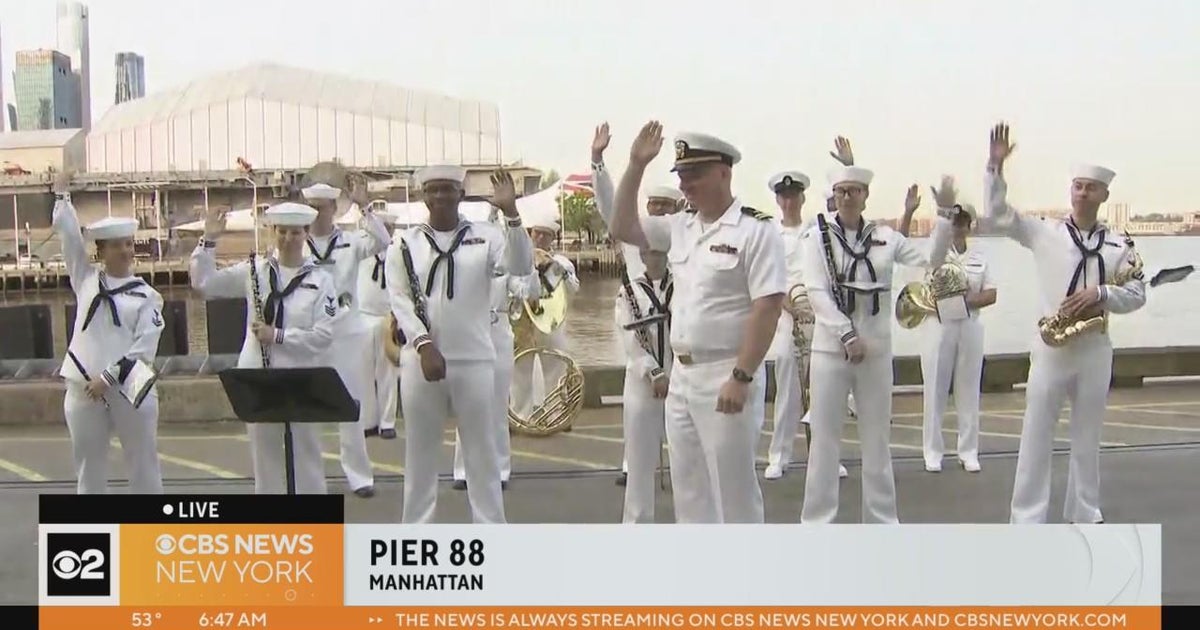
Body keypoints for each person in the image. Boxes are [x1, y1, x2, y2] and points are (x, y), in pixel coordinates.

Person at [598, 120, 785, 523]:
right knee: (690, 495)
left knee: (733, 496)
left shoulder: (756, 230)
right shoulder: (680, 227)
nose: (685, 185)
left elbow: (767, 306)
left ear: (724, 171)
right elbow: (621, 227)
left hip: (726, 373)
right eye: (681, 175)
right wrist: (635, 165)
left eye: (693, 174)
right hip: (681, 377)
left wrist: (742, 375)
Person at [984, 123, 1145, 524]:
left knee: (1087, 438)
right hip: (1052, 351)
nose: (1082, 193)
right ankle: (1027, 516)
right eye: (1077, 186)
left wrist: (1103, 294)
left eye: (1091, 187)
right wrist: (994, 167)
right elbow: (1000, 216)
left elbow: (1140, 293)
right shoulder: (1046, 232)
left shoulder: (1119, 246)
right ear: (1069, 191)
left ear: (1104, 195)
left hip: (1094, 350)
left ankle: (1084, 510)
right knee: (1036, 435)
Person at [800, 167, 951, 523]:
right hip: (831, 351)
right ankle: (816, 522)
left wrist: (943, 217)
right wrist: (845, 334)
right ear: (834, 195)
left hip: (876, 353)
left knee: (877, 440)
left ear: (866, 195)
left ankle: (882, 522)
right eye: (841, 191)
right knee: (824, 441)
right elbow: (816, 291)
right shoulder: (816, 237)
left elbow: (933, 260)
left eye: (854, 191)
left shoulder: (885, 237)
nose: (847, 197)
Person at [386, 165, 534, 524]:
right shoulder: (405, 244)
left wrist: (512, 213)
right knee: (420, 457)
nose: (440, 197)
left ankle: (491, 532)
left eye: (448, 189)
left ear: (461, 194)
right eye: (433, 190)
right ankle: (416, 535)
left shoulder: (486, 237)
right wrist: (423, 345)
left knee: (482, 457)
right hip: (422, 362)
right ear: (424, 196)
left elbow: (521, 265)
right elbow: (400, 299)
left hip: (475, 361)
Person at [191, 202, 340, 495]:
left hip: (300, 378)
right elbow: (204, 284)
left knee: (306, 455)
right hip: (258, 375)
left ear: (306, 234)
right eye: (281, 231)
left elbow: (323, 336)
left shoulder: (320, 280)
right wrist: (208, 240)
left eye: (295, 233)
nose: (287, 239)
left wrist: (279, 336)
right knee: (265, 460)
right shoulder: (254, 271)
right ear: (272, 232)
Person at [52, 187, 165, 495]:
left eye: (128, 244)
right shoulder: (86, 280)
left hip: (129, 387)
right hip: (83, 388)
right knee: (89, 466)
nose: (125, 251)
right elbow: (70, 240)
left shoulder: (147, 296)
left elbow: (144, 348)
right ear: (101, 251)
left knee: (143, 463)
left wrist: (108, 378)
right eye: (117, 246)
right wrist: (62, 197)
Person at [590, 121, 681, 486]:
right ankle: (634, 465)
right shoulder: (633, 235)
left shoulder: (685, 237)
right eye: (652, 204)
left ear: (677, 207)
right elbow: (610, 204)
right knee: (639, 408)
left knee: (679, 418)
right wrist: (597, 159)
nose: (657, 210)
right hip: (638, 322)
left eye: (664, 205)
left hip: (677, 333)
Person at [301, 176, 391, 498]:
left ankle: (359, 475)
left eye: (321, 208)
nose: (315, 214)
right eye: (310, 208)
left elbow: (383, 242)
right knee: (307, 410)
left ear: (334, 209)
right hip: (310, 334)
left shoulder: (351, 242)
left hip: (346, 331)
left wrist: (364, 207)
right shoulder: (297, 245)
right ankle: (311, 480)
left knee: (351, 405)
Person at [451, 208, 540, 491]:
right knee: (466, 404)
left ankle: (500, 469)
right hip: (468, 334)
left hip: (498, 332)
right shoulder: (460, 267)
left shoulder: (503, 274)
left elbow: (528, 290)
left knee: (497, 406)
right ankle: (463, 470)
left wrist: (533, 265)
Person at [908, 203, 996, 473]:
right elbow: (922, 288)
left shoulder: (980, 255)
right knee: (934, 390)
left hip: (970, 324)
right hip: (938, 325)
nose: (958, 226)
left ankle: (968, 451)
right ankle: (932, 452)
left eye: (963, 221)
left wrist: (966, 299)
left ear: (970, 225)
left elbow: (991, 294)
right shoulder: (935, 253)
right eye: (954, 221)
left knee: (969, 390)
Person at [613, 246, 673, 522]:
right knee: (639, 462)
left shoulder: (683, 286)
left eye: (660, 252)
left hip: (680, 381)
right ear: (643, 256)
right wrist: (653, 371)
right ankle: (637, 525)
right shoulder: (629, 292)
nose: (655, 257)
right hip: (642, 384)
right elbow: (630, 341)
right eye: (650, 252)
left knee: (691, 463)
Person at [509, 217, 580, 420]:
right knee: (519, 372)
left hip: (551, 322)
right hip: (524, 323)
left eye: (545, 234)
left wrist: (554, 267)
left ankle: (555, 414)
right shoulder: (518, 261)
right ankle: (521, 415)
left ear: (552, 238)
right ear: (530, 234)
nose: (540, 237)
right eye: (537, 232)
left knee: (555, 369)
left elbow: (573, 288)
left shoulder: (562, 262)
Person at [356, 210, 401, 440]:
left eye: (390, 228)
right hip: (363, 315)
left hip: (387, 316)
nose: (387, 232)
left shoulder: (399, 254)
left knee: (388, 373)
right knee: (363, 371)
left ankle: (387, 422)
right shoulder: (362, 252)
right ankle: (368, 421)